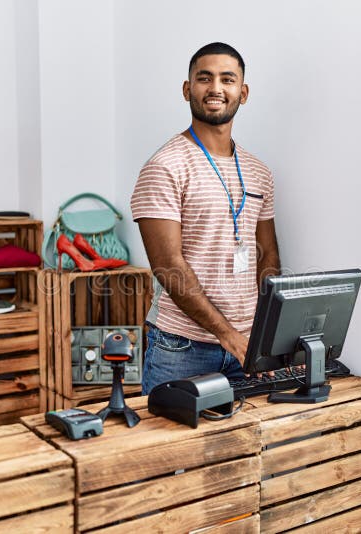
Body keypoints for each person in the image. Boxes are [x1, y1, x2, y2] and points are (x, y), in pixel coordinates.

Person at [130, 42, 281, 395]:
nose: (216, 88)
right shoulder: (165, 166)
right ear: (187, 90)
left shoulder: (259, 172)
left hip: (248, 347)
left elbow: (268, 254)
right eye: (205, 78)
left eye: (227, 79)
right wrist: (227, 335)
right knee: (171, 450)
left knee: (241, 448)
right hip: (183, 349)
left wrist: (270, 333)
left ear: (242, 93)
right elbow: (168, 267)